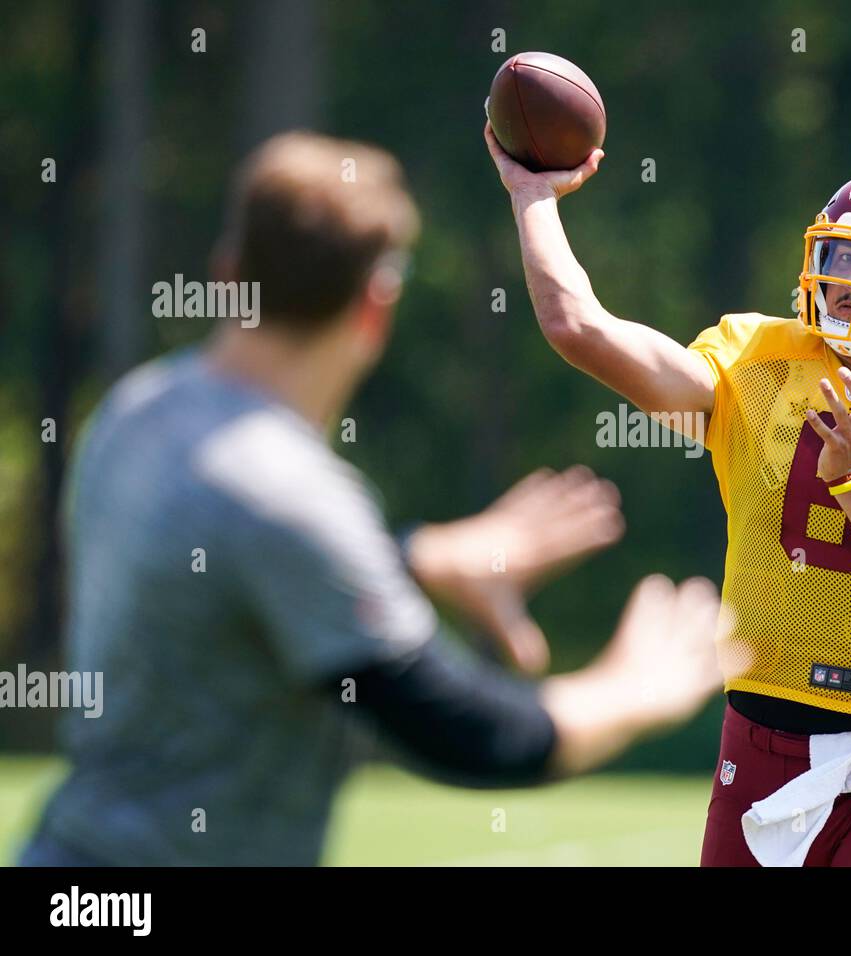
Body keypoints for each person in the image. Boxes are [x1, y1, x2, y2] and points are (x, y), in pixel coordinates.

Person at [19, 131, 724, 867]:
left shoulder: (135, 412)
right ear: (376, 304)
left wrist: (422, 557)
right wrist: (635, 688)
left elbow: (232, 571)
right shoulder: (288, 494)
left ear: (230, 272)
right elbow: (464, 729)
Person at [485, 123, 851, 866]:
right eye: (841, 255)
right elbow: (579, 326)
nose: (849, 279)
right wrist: (533, 196)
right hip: (758, 746)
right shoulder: (754, 364)